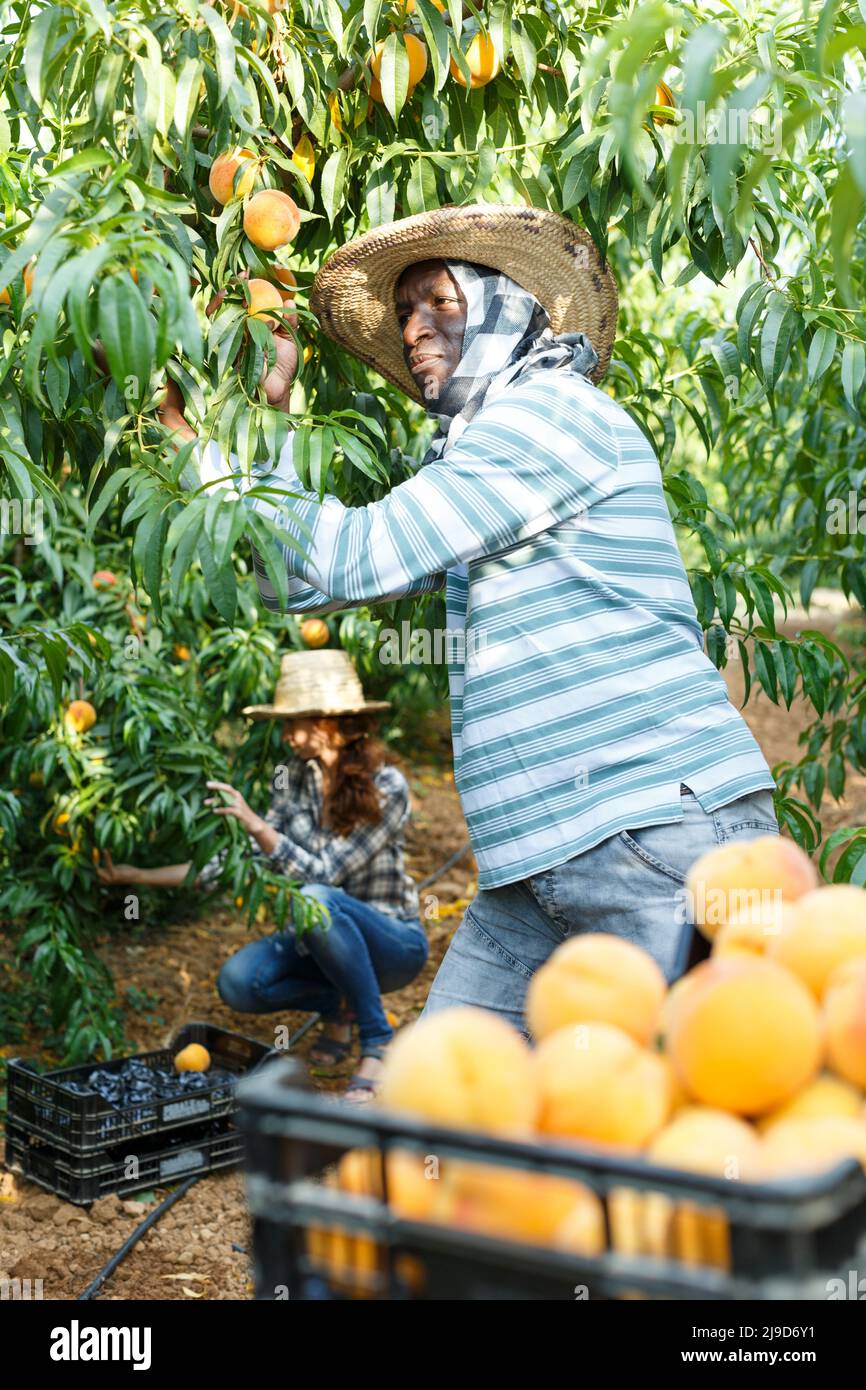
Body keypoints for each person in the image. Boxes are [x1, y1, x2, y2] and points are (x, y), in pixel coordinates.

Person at [159, 203, 781, 1038]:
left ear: (504, 308)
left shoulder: (547, 417)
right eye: (405, 311)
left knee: (672, 1134)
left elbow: (350, 555)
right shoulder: (485, 451)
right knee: (444, 1123)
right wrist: (256, 421)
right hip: (546, 858)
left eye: (440, 303)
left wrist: (197, 445)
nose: (415, 328)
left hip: (647, 832)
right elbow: (299, 583)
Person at [97, 649, 428, 1100]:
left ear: (330, 721)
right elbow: (238, 863)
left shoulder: (387, 785)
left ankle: (377, 1039)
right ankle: (339, 1006)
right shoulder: (293, 778)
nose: (287, 735)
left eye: (295, 722)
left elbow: (326, 874)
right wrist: (136, 875)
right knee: (239, 981)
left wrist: (258, 825)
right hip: (317, 943)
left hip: (393, 943)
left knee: (315, 899)